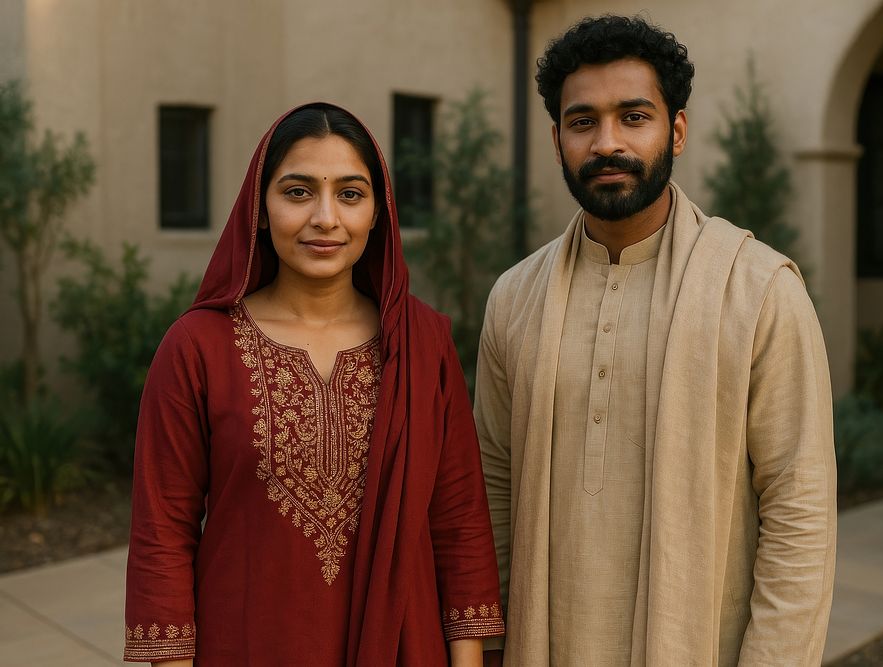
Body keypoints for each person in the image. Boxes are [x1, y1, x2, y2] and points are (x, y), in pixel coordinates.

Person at [476, 15, 836, 666]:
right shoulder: (514, 299)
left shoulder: (757, 290)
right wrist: (493, 646)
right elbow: (493, 486)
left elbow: (799, 511)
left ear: (677, 131)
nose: (606, 142)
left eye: (633, 117)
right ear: (558, 141)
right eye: (583, 122)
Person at [124, 103, 504, 666]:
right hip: (245, 644)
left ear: (378, 214)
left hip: (404, 647)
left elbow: (460, 523)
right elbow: (163, 534)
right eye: (298, 192)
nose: (326, 217)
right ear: (259, 208)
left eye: (350, 194)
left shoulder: (421, 345)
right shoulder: (197, 347)